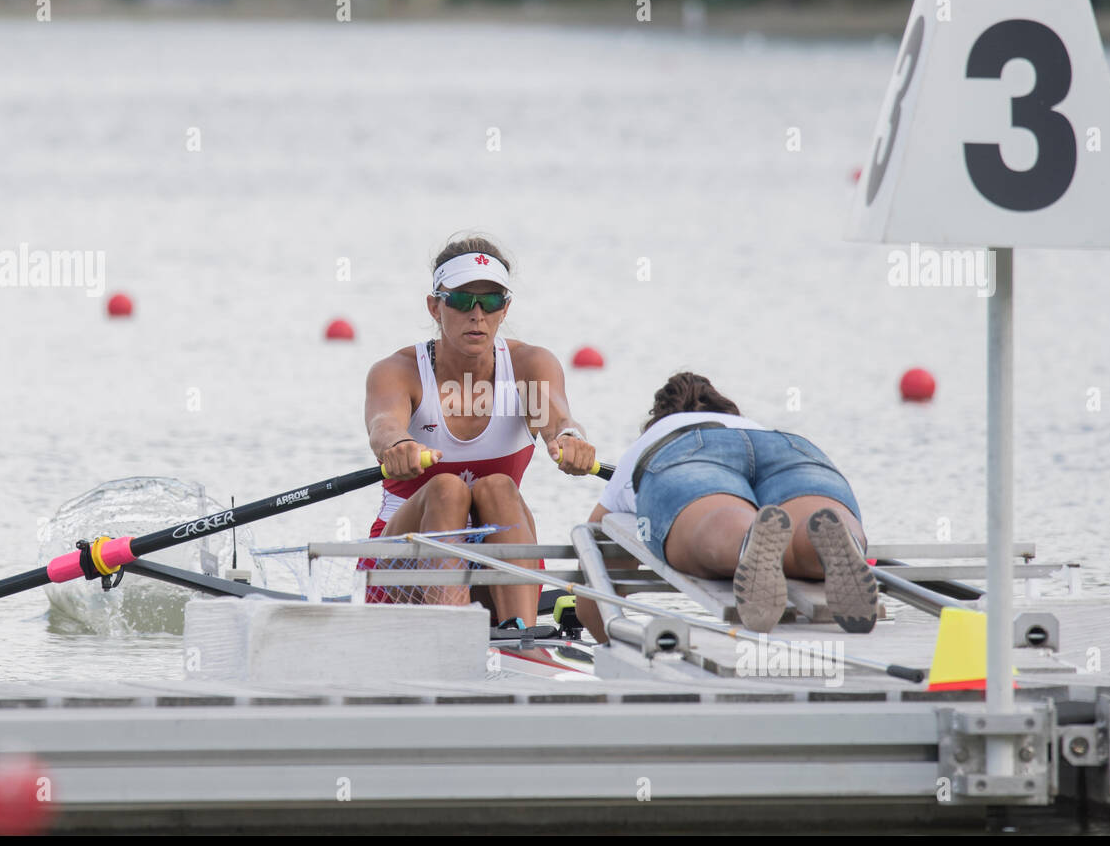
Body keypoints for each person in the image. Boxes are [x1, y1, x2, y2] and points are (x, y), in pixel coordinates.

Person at [363, 235, 597, 627]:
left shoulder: (528, 366)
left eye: (490, 301)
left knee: (498, 487)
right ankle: (452, 633)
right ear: (434, 306)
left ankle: (523, 641)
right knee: (446, 488)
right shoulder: (398, 371)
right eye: (460, 300)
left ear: (505, 309)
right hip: (402, 567)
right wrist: (399, 444)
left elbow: (558, 419)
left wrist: (570, 439)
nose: (477, 315)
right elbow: (383, 425)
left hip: (496, 566)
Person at [575, 372, 876, 639]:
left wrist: (614, 642)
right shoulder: (748, 424)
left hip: (682, 451)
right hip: (789, 448)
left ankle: (745, 542)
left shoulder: (650, 441)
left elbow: (596, 580)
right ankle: (840, 538)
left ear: (657, 421)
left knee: (718, 520)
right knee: (809, 528)